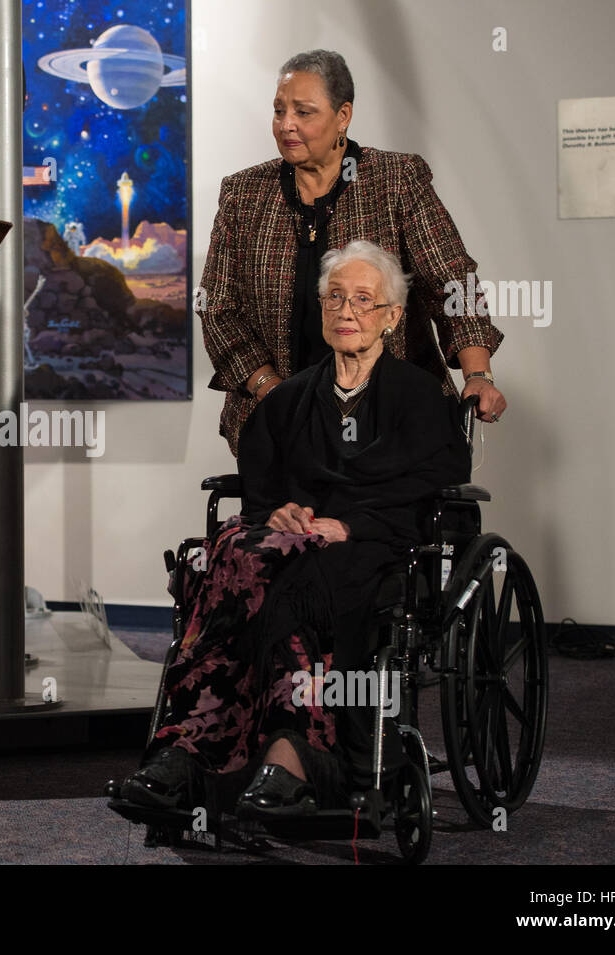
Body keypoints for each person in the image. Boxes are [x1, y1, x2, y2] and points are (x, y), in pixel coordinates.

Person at [121, 240, 469, 818]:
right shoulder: (287, 398)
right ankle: (188, 751)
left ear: (392, 316)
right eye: (335, 297)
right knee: (232, 558)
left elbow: (433, 484)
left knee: (288, 579)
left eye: (363, 299)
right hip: (287, 539)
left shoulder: (418, 396)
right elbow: (261, 482)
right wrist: (277, 511)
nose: (346, 310)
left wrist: (351, 524)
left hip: (372, 545)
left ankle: (294, 755)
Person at [200, 49, 506, 457]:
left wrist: (479, 373)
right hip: (279, 421)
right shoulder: (245, 194)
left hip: (391, 417)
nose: (286, 125)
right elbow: (217, 306)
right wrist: (271, 390)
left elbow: (453, 282)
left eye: (304, 112)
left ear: (343, 115)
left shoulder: (395, 180)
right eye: (278, 111)